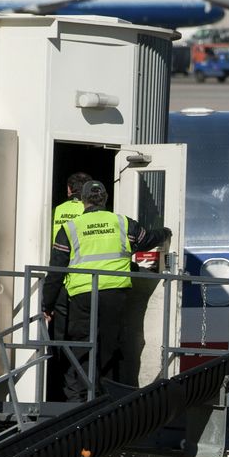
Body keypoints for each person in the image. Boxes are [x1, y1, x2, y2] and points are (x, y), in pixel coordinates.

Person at [42, 181, 171, 402]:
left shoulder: (71, 227)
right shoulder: (122, 223)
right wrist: (166, 232)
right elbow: (147, 239)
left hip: (81, 296)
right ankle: (107, 397)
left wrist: (47, 305)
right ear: (105, 198)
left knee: (82, 345)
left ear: (83, 200)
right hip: (115, 294)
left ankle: (82, 399)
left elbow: (56, 271)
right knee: (110, 345)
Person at [45, 172, 92, 401]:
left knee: (60, 341)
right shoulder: (91, 212)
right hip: (83, 284)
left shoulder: (58, 210)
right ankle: (82, 393)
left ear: (68, 190)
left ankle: (63, 391)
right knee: (84, 341)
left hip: (61, 283)